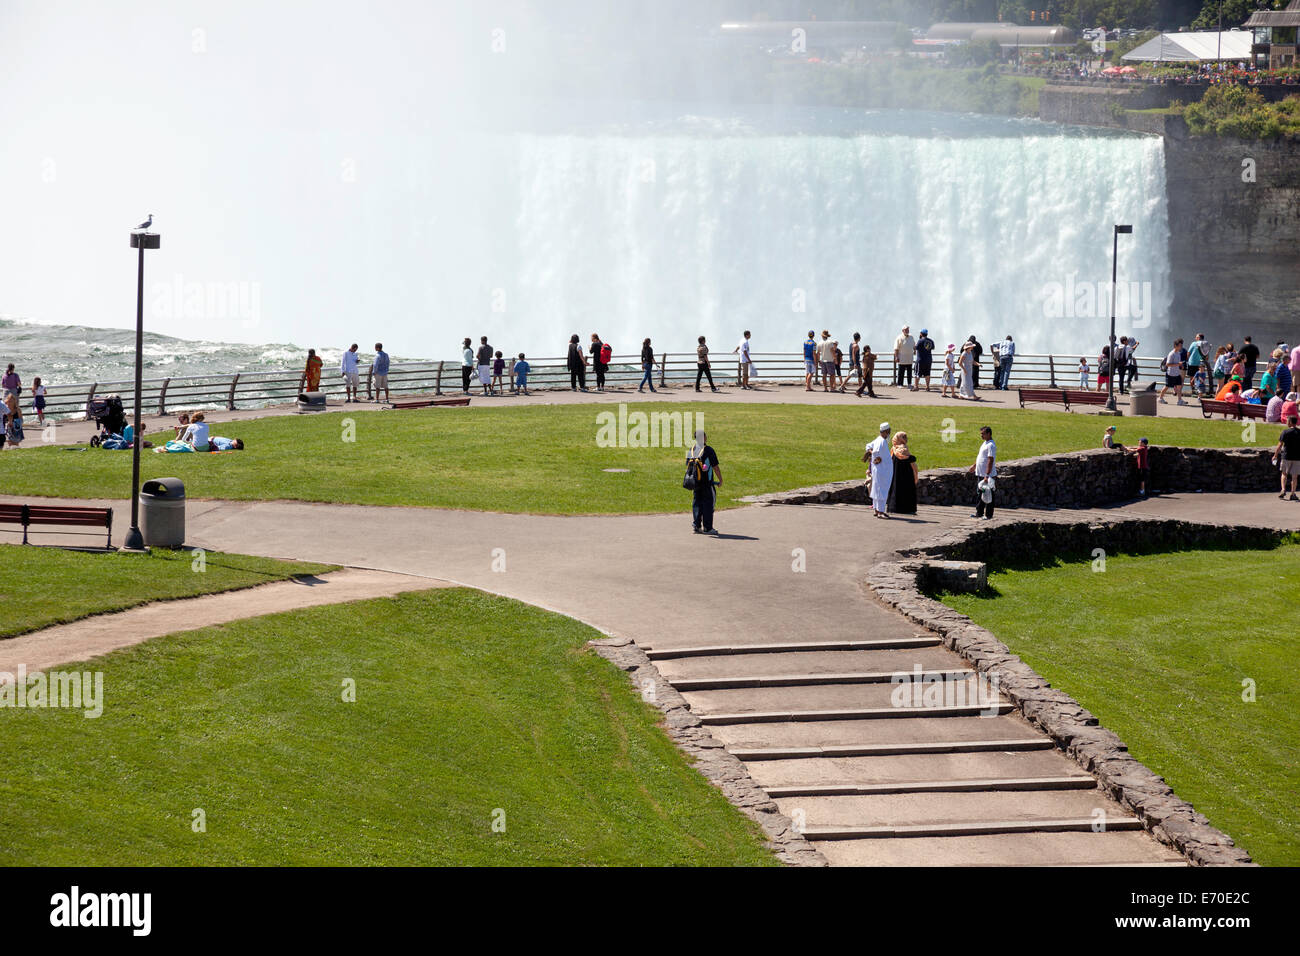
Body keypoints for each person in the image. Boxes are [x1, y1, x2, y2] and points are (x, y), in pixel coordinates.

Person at [686, 428, 722, 534]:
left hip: (695, 482)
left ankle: (696, 525)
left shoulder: (691, 450)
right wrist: (720, 479)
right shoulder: (709, 450)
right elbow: (715, 466)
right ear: (704, 438)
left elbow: (688, 467)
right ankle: (708, 527)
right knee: (708, 504)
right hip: (707, 483)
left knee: (697, 503)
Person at [863, 422, 894, 519]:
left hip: (879, 470)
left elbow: (868, 446)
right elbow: (875, 452)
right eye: (889, 431)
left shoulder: (878, 439)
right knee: (882, 491)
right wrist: (875, 457)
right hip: (882, 471)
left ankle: (876, 510)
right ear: (886, 431)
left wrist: (872, 454)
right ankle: (880, 512)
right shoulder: (882, 442)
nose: (889, 433)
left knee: (877, 490)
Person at [968, 426, 997, 519]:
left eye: (983, 433)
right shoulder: (985, 443)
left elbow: (990, 460)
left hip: (987, 476)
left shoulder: (991, 445)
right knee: (980, 494)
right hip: (981, 474)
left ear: (989, 434)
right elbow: (981, 457)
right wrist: (974, 466)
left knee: (989, 495)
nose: (981, 435)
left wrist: (987, 475)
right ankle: (979, 513)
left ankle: (988, 515)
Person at [888, 431, 918, 515]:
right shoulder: (904, 448)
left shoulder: (893, 449)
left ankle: (893, 508)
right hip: (906, 475)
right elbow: (911, 461)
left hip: (895, 474)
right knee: (906, 491)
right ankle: (907, 509)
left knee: (895, 489)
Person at [1274, 415, 1300, 501]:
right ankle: (1293, 493)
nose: (1286, 422)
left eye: (1287, 421)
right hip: (1297, 457)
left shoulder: (1285, 432)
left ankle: (1283, 489)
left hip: (1286, 456)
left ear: (1290, 422)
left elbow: (1280, 445)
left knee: (1284, 473)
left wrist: (1275, 455)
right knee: (1294, 476)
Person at [1159, 338, 1186, 405]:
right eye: (1179, 346)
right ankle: (1160, 398)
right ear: (1175, 346)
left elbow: (1177, 363)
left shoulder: (1178, 353)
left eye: (1181, 345)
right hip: (1170, 374)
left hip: (1177, 373)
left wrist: (1181, 366)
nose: (1181, 347)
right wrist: (1178, 364)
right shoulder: (1171, 354)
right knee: (1167, 386)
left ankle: (1179, 400)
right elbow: (1168, 364)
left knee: (1179, 386)